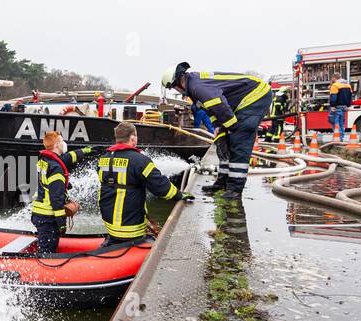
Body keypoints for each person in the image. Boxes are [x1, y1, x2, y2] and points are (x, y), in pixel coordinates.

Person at [162, 62, 271, 200]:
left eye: (173, 88)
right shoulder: (194, 87)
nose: (176, 91)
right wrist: (220, 132)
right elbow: (212, 111)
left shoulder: (198, 87)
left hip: (257, 95)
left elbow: (221, 107)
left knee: (238, 140)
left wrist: (228, 131)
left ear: (177, 82)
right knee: (225, 143)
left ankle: (235, 190)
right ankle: (222, 182)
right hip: (241, 102)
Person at [97, 122, 193, 244]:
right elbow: (160, 186)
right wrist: (179, 195)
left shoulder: (104, 159)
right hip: (131, 229)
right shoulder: (140, 160)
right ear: (132, 138)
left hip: (110, 225)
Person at [30, 130, 94, 253]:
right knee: (47, 251)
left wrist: (86, 151)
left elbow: (66, 158)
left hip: (39, 213)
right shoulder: (56, 169)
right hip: (48, 217)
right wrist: (61, 223)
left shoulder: (44, 159)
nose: (64, 143)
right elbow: (56, 199)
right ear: (56, 145)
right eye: (61, 141)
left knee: (45, 245)